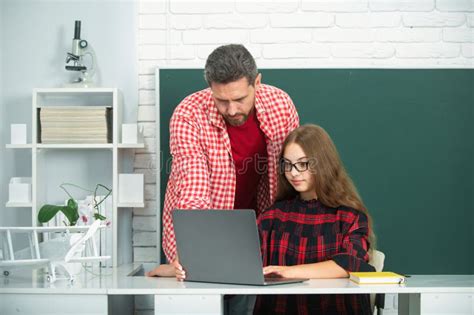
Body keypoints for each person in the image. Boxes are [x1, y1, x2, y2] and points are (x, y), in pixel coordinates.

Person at [147, 44, 299, 312]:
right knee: (202, 300)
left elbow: (292, 176)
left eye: (239, 99)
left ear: (257, 83)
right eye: (221, 100)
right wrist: (194, 249)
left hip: (256, 230)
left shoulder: (281, 105)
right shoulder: (188, 114)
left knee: (248, 306)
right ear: (210, 88)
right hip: (204, 226)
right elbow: (193, 190)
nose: (231, 110)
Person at [253, 124, 376, 315]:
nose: (293, 173)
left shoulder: (349, 215)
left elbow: (351, 263)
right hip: (281, 309)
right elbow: (245, 262)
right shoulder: (272, 216)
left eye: (303, 164)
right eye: (287, 164)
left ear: (323, 164)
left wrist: (288, 272)